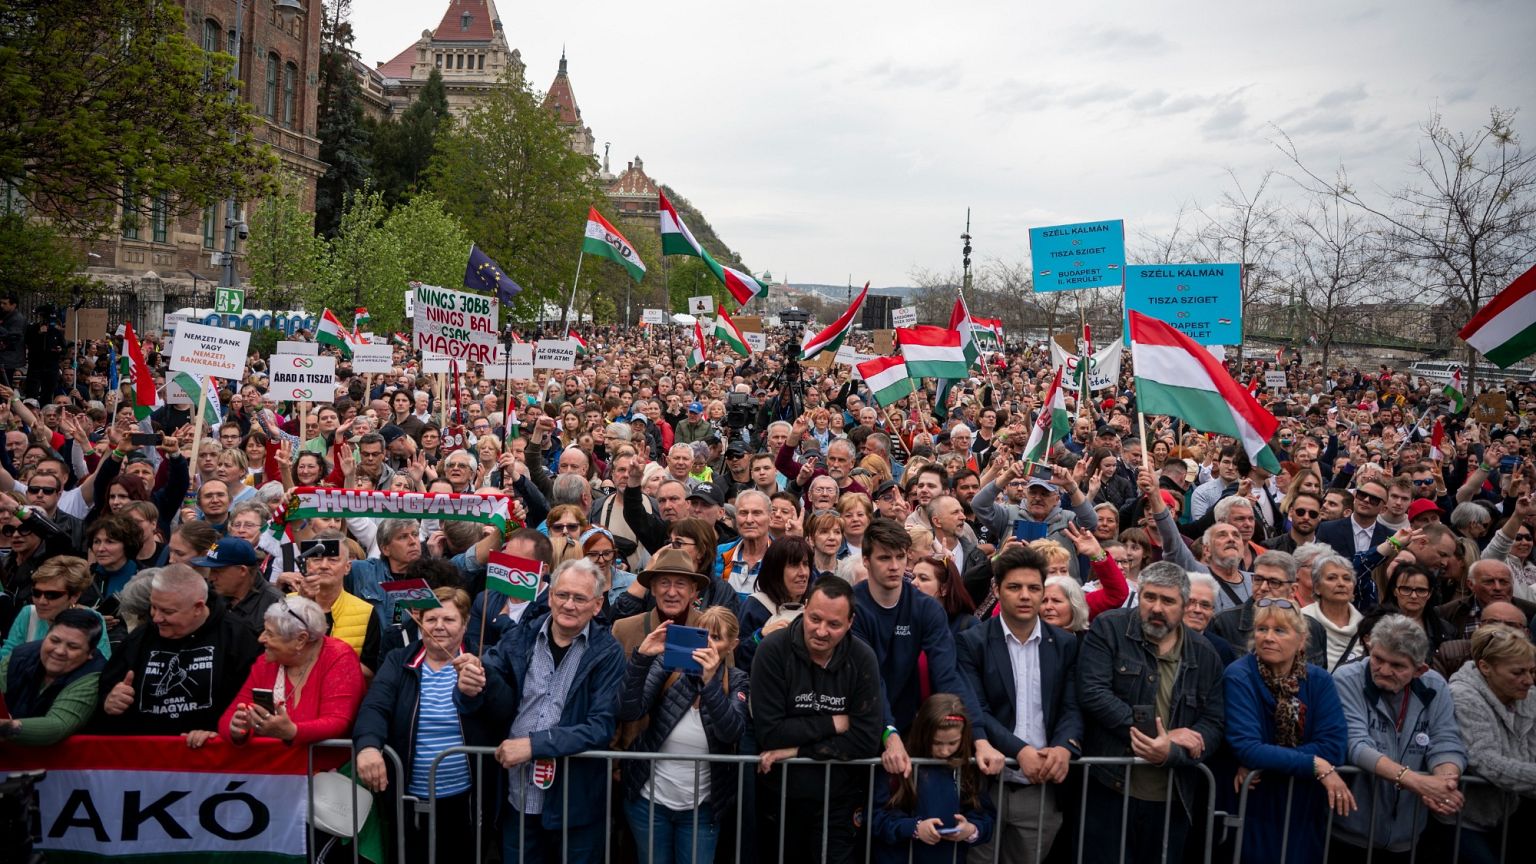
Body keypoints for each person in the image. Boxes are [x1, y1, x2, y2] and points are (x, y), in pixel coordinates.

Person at [454, 558, 626, 864]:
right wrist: (468, 686)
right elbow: (485, 685)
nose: (569, 605)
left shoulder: (608, 653)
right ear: (549, 596)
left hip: (575, 804)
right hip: (518, 797)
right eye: (562, 595)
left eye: (580, 598)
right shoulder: (520, 637)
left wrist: (535, 746)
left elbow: (600, 728)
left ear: (597, 604)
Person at [1077, 561, 1226, 864]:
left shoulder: (1205, 653)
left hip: (1172, 797)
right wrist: (1159, 737)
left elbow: (1213, 722)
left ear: (1184, 605)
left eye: (1167, 600)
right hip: (1111, 787)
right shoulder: (1110, 628)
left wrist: (1170, 751)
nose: (1156, 608)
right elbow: (1093, 693)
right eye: (1149, 597)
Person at [956, 544, 1082, 864]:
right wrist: (1020, 751)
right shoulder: (973, 642)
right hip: (986, 787)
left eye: (1033, 588)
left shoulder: (1065, 644)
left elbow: (1072, 707)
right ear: (997, 590)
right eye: (1015, 587)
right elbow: (977, 709)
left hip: (1040, 790)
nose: (1025, 595)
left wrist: (1063, 748)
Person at [355, 587, 501, 863]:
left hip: (465, 801)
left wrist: (486, 682)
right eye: (432, 619)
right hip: (409, 798)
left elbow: (504, 709)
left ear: (465, 623)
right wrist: (368, 747)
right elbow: (375, 707)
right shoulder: (399, 660)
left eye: (449, 619)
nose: (439, 626)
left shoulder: (484, 658)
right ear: (419, 621)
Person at [851, 518, 1004, 776]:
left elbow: (948, 675)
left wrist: (979, 737)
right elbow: (869, 679)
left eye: (900, 557)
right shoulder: (853, 606)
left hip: (906, 723)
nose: (895, 566)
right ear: (866, 560)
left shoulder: (925, 607)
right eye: (884, 558)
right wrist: (889, 732)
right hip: (860, 724)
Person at [752, 576, 882, 864]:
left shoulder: (862, 658)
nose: (821, 631)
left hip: (840, 798)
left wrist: (798, 750)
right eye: (815, 619)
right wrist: (834, 724)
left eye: (834, 624)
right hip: (781, 798)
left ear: (850, 622)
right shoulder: (773, 650)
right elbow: (771, 733)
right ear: (805, 607)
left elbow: (866, 740)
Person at [1224, 596, 1352, 864]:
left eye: (1280, 630)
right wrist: (1315, 763)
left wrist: (1268, 759)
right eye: (1262, 629)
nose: (1268, 637)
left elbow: (1334, 747)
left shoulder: (1318, 680)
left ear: (1301, 640)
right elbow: (1247, 746)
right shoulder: (1239, 675)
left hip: (1305, 810)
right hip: (1255, 807)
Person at [1331, 614, 1466, 863]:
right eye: (1378, 659)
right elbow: (1356, 745)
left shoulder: (1435, 685)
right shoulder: (1347, 679)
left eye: (1397, 666)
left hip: (1409, 833)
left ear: (1419, 670)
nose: (1383, 670)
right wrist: (1417, 782)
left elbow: (1446, 740)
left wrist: (1445, 781)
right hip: (1351, 830)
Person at [620, 605, 749, 864]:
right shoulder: (670, 666)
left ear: (732, 645)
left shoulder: (736, 680)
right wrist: (643, 657)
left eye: (717, 637)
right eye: (703, 635)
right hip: (649, 802)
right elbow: (629, 709)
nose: (708, 645)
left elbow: (732, 732)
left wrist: (710, 683)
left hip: (701, 810)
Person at [96, 564, 262, 743]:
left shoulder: (238, 637)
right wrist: (109, 700)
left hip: (210, 757)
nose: (157, 618)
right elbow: (106, 690)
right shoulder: (140, 639)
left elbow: (254, 703)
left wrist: (222, 731)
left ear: (198, 607)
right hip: (149, 759)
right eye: (154, 607)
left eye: (168, 611)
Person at [1440, 625, 1536, 863]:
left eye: (1532, 671)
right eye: (1517, 673)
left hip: (1508, 815)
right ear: (1485, 667)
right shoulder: (1462, 696)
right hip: (1461, 819)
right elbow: (1484, 760)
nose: (1528, 680)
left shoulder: (1529, 696)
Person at [220, 595, 365, 745]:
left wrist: (293, 732)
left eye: (270, 634)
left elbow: (338, 722)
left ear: (301, 639)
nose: (261, 639)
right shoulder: (266, 662)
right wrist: (237, 729)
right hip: (273, 764)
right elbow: (228, 718)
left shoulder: (339, 656)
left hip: (322, 765)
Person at [870, 694, 996, 863]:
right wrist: (914, 828)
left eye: (952, 743)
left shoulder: (968, 767)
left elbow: (984, 815)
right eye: (936, 743)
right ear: (922, 733)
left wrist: (971, 829)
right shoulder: (897, 764)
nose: (944, 751)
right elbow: (876, 818)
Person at [0, 608, 107, 745]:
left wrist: (5, 728)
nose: (59, 651)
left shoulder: (94, 676)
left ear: (90, 653)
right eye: (54, 640)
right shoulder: (19, 656)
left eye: (72, 646)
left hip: (64, 762)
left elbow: (58, 725)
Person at [1209, 550, 1330, 668]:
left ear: (1292, 590)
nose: (1263, 587)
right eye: (1258, 579)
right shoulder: (1223, 623)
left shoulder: (1313, 628)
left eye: (1274, 582)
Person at [2, 556, 109, 664]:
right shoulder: (28, 614)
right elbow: (5, 659)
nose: (41, 601)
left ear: (74, 596)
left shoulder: (92, 620)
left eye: (52, 595)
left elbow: (99, 667)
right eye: (36, 593)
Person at [735, 535, 813, 671]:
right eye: (794, 565)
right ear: (776, 570)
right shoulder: (755, 606)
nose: (803, 573)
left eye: (806, 564)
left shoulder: (815, 605)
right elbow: (738, 660)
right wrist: (760, 636)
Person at [192, 536, 283, 638]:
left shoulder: (276, 604)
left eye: (217, 571)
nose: (211, 578)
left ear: (242, 571)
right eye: (211, 570)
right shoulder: (209, 595)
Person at [1301, 553, 1366, 670]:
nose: (1341, 584)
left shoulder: (1366, 626)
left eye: (1347, 578)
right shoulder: (1300, 620)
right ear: (1317, 587)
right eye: (1331, 578)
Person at [911, 555, 978, 637]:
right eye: (913, 577)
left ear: (944, 589)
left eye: (923, 578)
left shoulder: (969, 626)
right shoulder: (904, 621)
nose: (913, 583)